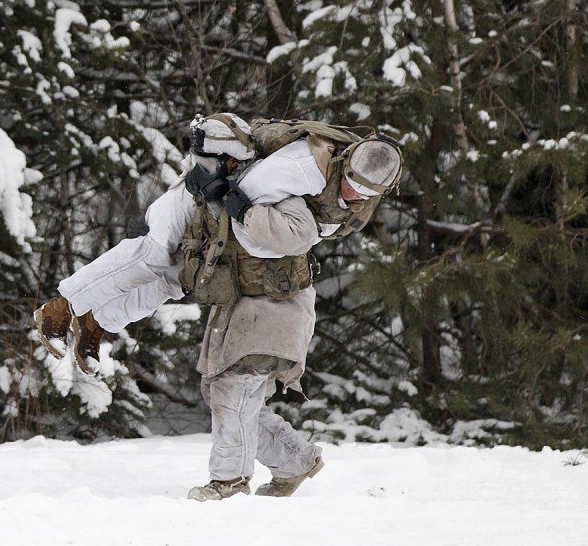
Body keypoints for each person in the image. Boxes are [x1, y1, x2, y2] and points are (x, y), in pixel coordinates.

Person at [33, 113, 403, 501]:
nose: (355, 195)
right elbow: (242, 198)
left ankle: (231, 481)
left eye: (365, 193)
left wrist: (234, 205)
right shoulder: (296, 170)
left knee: (231, 388)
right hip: (234, 261)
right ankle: (73, 309)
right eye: (351, 185)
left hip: (270, 295)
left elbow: (290, 230)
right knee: (161, 267)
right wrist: (223, 195)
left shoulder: (324, 205)